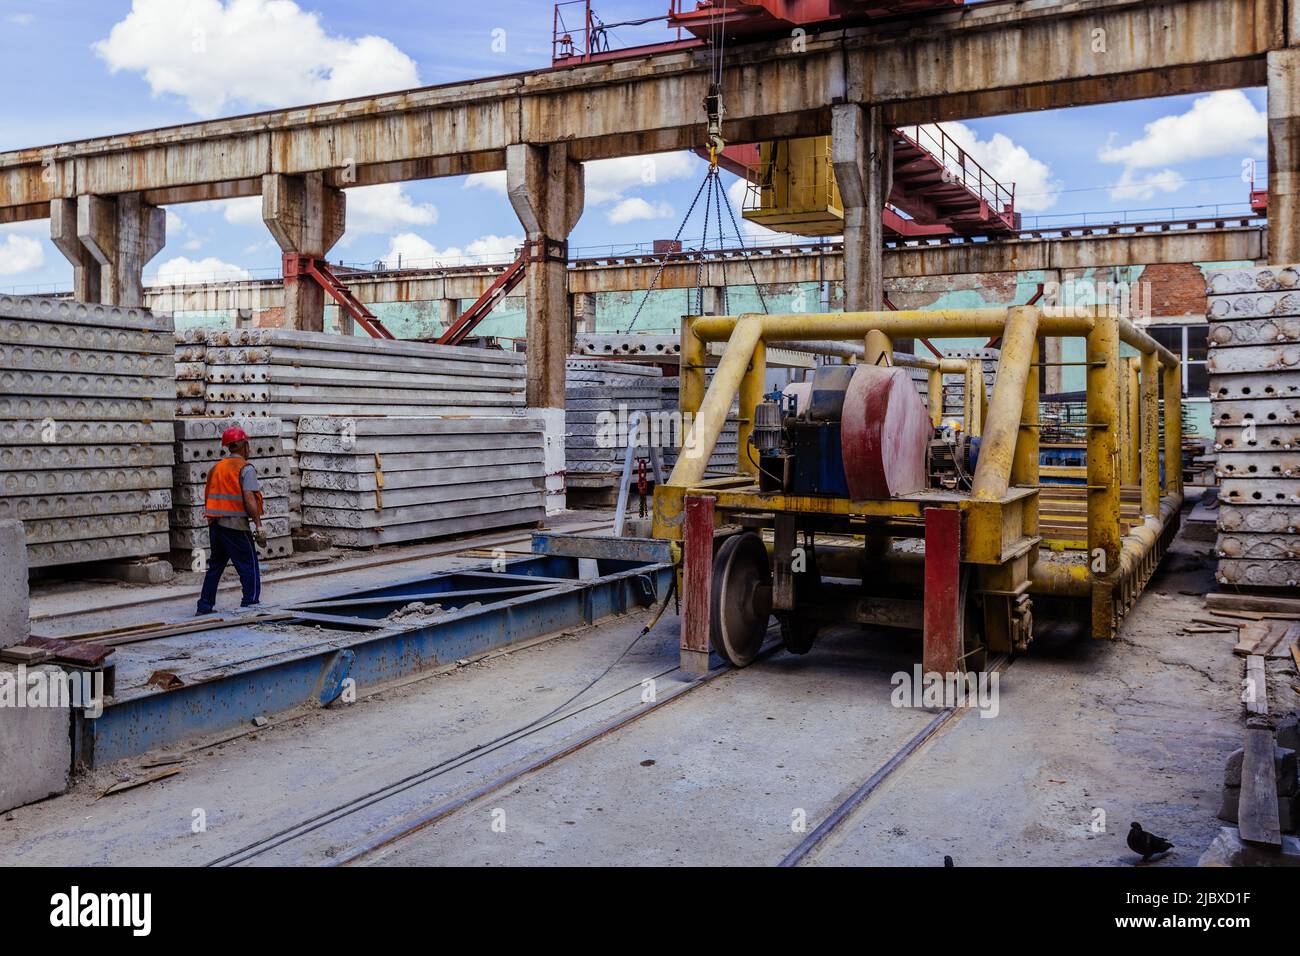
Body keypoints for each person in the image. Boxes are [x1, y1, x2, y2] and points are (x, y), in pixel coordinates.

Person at [196, 427, 266, 615]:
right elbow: (249, 498)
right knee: (248, 564)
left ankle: (204, 605)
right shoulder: (245, 468)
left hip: (215, 525)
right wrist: (258, 525)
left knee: (216, 567)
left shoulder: (215, 469)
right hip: (235, 524)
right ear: (244, 445)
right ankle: (250, 602)